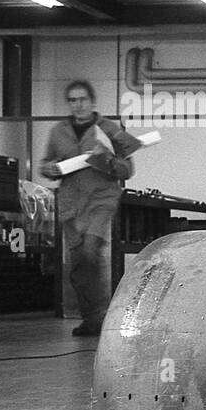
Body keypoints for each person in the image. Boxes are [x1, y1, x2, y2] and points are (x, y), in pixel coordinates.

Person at [40, 80, 138, 336]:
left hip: (100, 200)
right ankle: (92, 318)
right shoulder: (58, 132)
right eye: (73, 100)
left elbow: (127, 168)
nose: (78, 105)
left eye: (82, 99)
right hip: (71, 204)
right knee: (77, 264)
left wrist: (107, 159)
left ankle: (103, 314)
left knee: (90, 251)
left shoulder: (110, 129)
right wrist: (48, 169)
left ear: (92, 101)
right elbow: (46, 164)